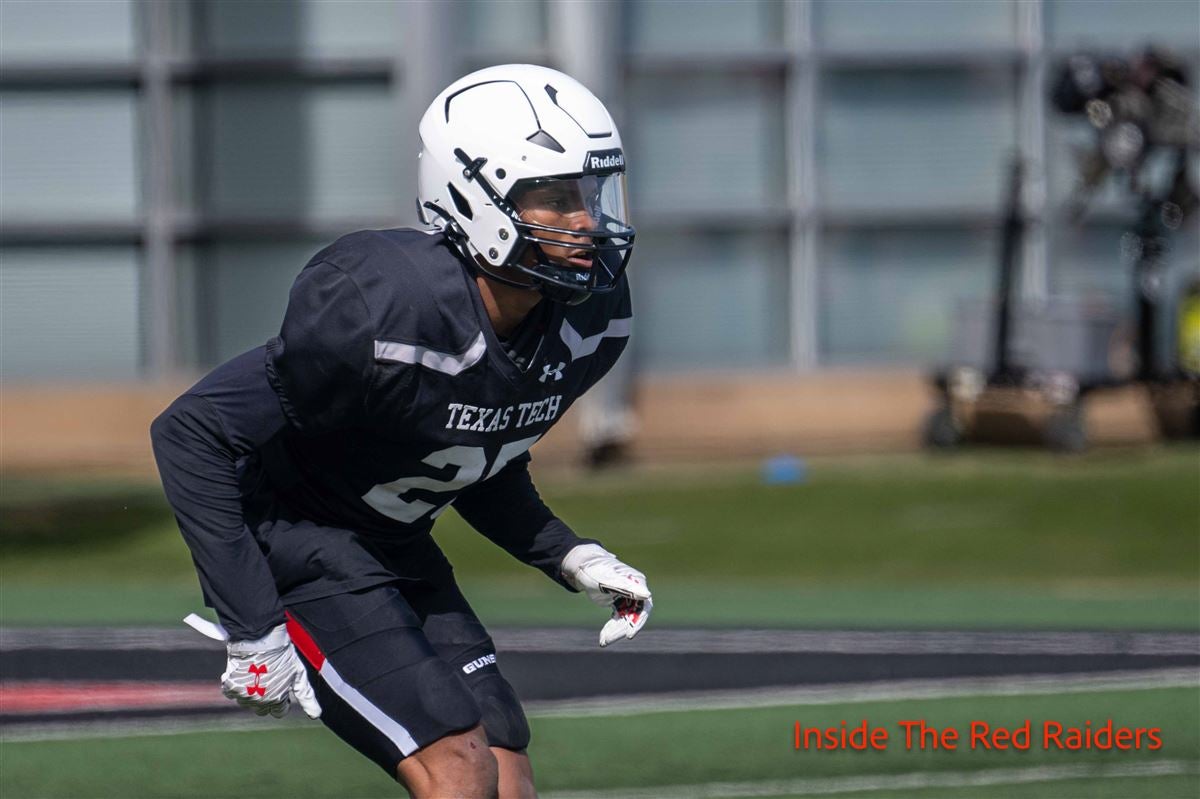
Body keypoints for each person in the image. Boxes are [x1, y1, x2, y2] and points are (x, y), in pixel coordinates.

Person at [151, 64, 651, 799]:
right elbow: (190, 431)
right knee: (458, 763)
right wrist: (252, 622)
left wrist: (566, 552)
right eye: (553, 196)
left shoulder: (586, 318)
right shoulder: (381, 305)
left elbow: (471, 450)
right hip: (300, 539)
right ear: (473, 199)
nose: (583, 220)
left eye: (588, 194)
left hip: (395, 543)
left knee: (508, 768)